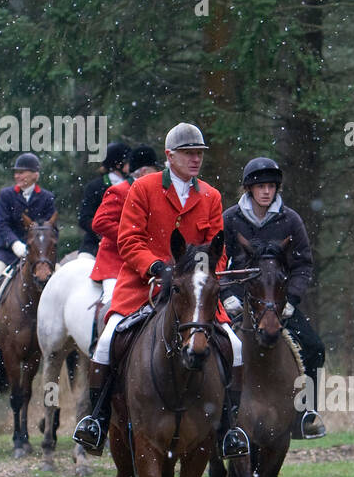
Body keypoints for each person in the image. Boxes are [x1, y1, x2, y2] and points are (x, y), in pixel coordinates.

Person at [73, 123, 247, 457]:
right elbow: (128, 238)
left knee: (235, 346)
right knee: (107, 342)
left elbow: (219, 249)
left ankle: (229, 429)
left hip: (194, 293)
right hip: (143, 285)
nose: (196, 159)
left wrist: (205, 276)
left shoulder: (210, 195)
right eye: (188, 154)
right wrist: (155, 267)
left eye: (199, 154)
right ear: (170, 156)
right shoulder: (144, 188)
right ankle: (96, 421)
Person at [222, 156, 326, 439]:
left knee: (315, 347)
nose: (266, 191)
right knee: (212, 349)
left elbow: (303, 264)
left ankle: (307, 413)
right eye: (260, 186)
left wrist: (291, 299)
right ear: (249, 189)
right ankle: (214, 412)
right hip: (239, 302)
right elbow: (218, 261)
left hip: (278, 303)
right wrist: (227, 295)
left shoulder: (290, 220)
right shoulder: (230, 219)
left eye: (271, 186)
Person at [0, 152, 56, 340]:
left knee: (61, 279)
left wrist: (36, 245)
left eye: (22, 172)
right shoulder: (7, 195)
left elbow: (50, 227)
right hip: (8, 250)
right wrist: (15, 243)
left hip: (39, 253)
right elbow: (2, 224)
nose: (17, 176)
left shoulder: (47, 197)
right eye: (16, 173)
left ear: (35, 174)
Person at [89, 145, 160, 311]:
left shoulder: (156, 193)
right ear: (143, 172)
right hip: (115, 260)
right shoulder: (119, 191)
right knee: (111, 302)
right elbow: (99, 222)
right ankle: (100, 336)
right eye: (155, 170)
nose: (159, 175)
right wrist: (131, 234)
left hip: (144, 259)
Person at [77, 141, 130, 255]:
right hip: (95, 243)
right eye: (127, 163)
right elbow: (84, 219)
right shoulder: (95, 186)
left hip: (128, 241)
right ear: (118, 165)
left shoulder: (134, 184)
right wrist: (104, 233)